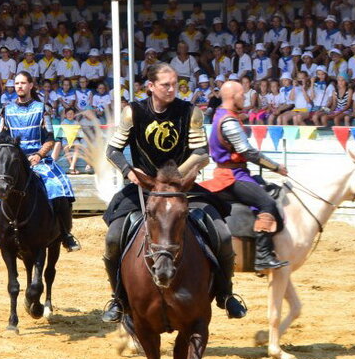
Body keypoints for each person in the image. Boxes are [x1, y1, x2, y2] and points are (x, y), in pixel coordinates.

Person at [99, 63, 247, 323]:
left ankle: (226, 294)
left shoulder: (190, 112)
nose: (172, 89)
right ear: (151, 87)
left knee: (222, 234)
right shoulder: (132, 112)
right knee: (113, 237)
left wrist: (172, 179)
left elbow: (201, 153)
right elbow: (113, 151)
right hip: (143, 188)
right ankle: (118, 298)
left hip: (182, 188)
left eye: (175, 84)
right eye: (165, 85)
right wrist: (128, 172)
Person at [0, 71, 80, 254]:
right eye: (17, 83)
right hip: (14, 162)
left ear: (30, 86)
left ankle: (66, 235)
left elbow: (50, 139)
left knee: (61, 188)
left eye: (23, 83)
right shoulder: (7, 110)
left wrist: (38, 155)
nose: (19, 86)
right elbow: (1, 137)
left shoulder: (42, 109)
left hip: (39, 160)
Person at [198, 80, 290, 272]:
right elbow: (247, 152)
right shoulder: (229, 120)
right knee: (268, 204)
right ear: (232, 97)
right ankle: (263, 256)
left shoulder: (222, 115)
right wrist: (275, 167)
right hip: (232, 175)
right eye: (242, 95)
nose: (244, 98)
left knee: (267, 188)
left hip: (235, 171)